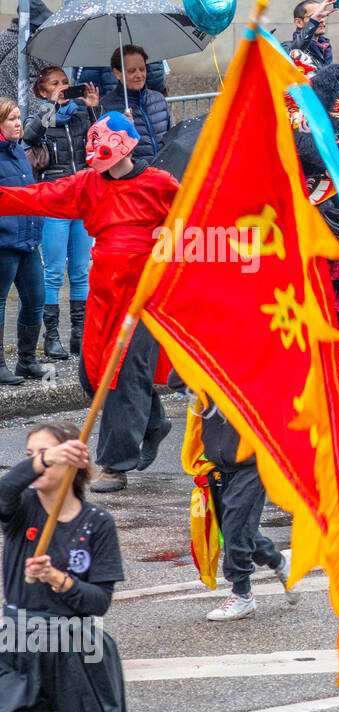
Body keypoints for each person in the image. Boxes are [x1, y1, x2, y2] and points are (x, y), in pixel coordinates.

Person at [0, 112, 179, 493]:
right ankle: (153, 422)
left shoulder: (161, 185)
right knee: (93, 374)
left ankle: (114, 465)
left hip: (145, 297)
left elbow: (194, 225)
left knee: (125, 373)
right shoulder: (87, 184)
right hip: (103, 292)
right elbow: (40, 195)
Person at [0, 422, 141, 712]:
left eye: (49, 454)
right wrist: (44, 459)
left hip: (77, 647)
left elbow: (99, 601)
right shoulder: (21, 509)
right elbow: (3, 490)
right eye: (33, 455)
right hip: (19, 643)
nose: (40, 462)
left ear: (74, 460)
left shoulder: (97, 523)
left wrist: (58, 579)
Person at [179, 389, 300, 621]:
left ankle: (242, 594)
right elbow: (176, 379)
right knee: (233, 526)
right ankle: (279, 561)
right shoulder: (207, 359)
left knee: (235, 524)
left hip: (255, 460)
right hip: (216, 460)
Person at [24, 67, 97, 362]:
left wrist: (93, 110)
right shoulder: (42, 116)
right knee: (53, 272)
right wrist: (52, 106)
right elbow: (29, 136)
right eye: (55, 84)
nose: (63, 88)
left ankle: (79, 334)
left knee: (81, 271)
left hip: (82, 199)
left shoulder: (80, 115)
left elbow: (99, 145)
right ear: (42, 91)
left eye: (65, 83)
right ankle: (51, 337)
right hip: (55, 202)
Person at [0, 98, 50, 385]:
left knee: (35, 300)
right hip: (4, 242)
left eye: (19, 117)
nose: (18, 123)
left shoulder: (19, 150)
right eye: (11, 119)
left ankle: (27, 361)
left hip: (29, 239)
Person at [100, 46, 170, 166]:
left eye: (142, 69)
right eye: (132, 71)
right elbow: (105, 155)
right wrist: (123, 132)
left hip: (163, 175)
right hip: (134, 179)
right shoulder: (106, 107)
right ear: (117, 73)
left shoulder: (159, 99)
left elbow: (170, 139)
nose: (139, 75)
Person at [283, 0, 335, 69]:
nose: (322, 20)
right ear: (299, 22)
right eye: (315, 16)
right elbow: (297, 49)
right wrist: (314, 20)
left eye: (323, 16)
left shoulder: (325, 47)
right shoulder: (287, 48)